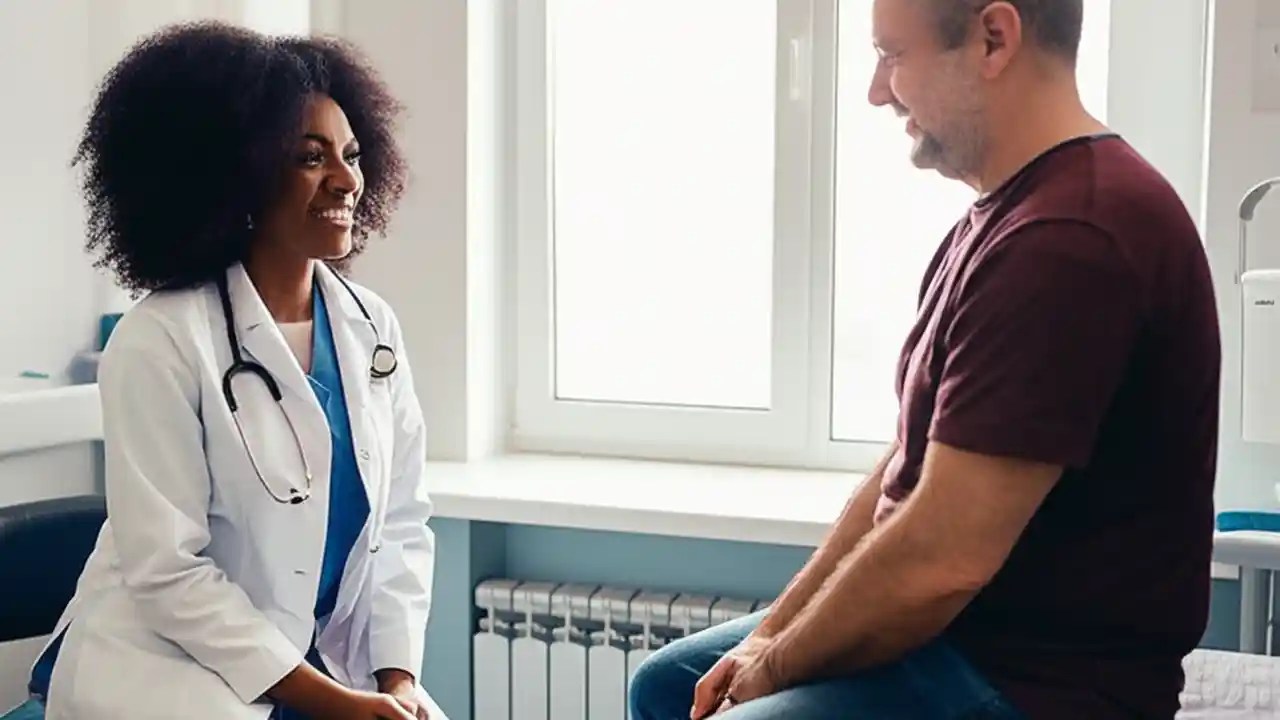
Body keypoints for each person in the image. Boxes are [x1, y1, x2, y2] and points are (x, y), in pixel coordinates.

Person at [629, 0, 1220, 718]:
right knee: (665, 687)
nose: (878, 91)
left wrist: (775, 667)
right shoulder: (1005, 219)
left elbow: (943, 559)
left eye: (892, 55)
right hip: (959, 643)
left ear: (993, 38)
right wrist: (773, 633)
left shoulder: (1073, 240)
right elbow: (911, 469)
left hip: (1040, 686)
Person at [20, 22, 444, 720]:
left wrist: (396, 680)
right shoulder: (160, 339)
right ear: (239, 174)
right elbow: (169, 574)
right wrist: (329, 701)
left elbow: (401, 524)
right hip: (165, 669)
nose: (346, 180)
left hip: (322, 666)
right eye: (311, 158)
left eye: (352, 153)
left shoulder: (371, 327)